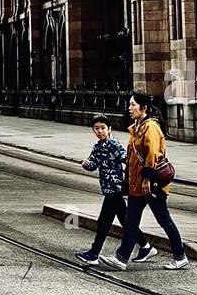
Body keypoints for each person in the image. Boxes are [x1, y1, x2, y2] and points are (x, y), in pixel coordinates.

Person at [100, 93, 188, 271]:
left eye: (133, 105)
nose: (129, 108)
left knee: (164, 220)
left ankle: (181, 257)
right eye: (130, 104)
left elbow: (152, 154)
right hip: (137, 184)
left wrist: (147, 177)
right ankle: (121, 258)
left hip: (151, 184)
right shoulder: (136, 127)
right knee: (131, 221)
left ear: (144, 108)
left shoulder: (151, 127)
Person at [74, 115, 128, 265]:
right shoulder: (98, 146)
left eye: (103, 128)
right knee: (125, 220)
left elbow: (126, 158)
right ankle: (145, 246)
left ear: (109, 129)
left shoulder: (113, 144)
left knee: (104, 222)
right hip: (108, 189)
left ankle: (94, 253)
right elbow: (93, 164)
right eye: (96, 129)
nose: (100, 131)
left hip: (115, 189)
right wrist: (87, 164)